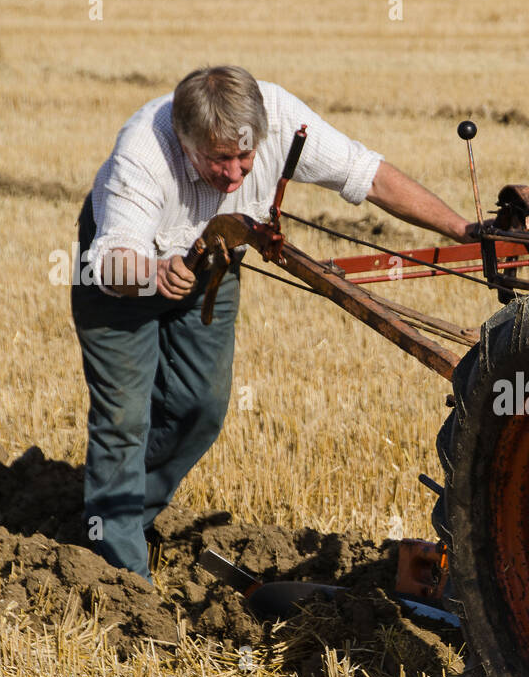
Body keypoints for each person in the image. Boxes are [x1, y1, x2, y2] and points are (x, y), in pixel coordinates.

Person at [71, 64, 476, 584]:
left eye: (247, 157)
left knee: (202, 407)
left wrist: (465, 229)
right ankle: (121, 573)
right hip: (128, 276)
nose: (237, 176)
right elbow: (110, 261)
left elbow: (367, 174)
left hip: (212, 260)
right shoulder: (145, 154)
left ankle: (124, 512)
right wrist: (152, 272)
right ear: (185, 139)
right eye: (220, 161)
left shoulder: (281, 118)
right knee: (124, 419)